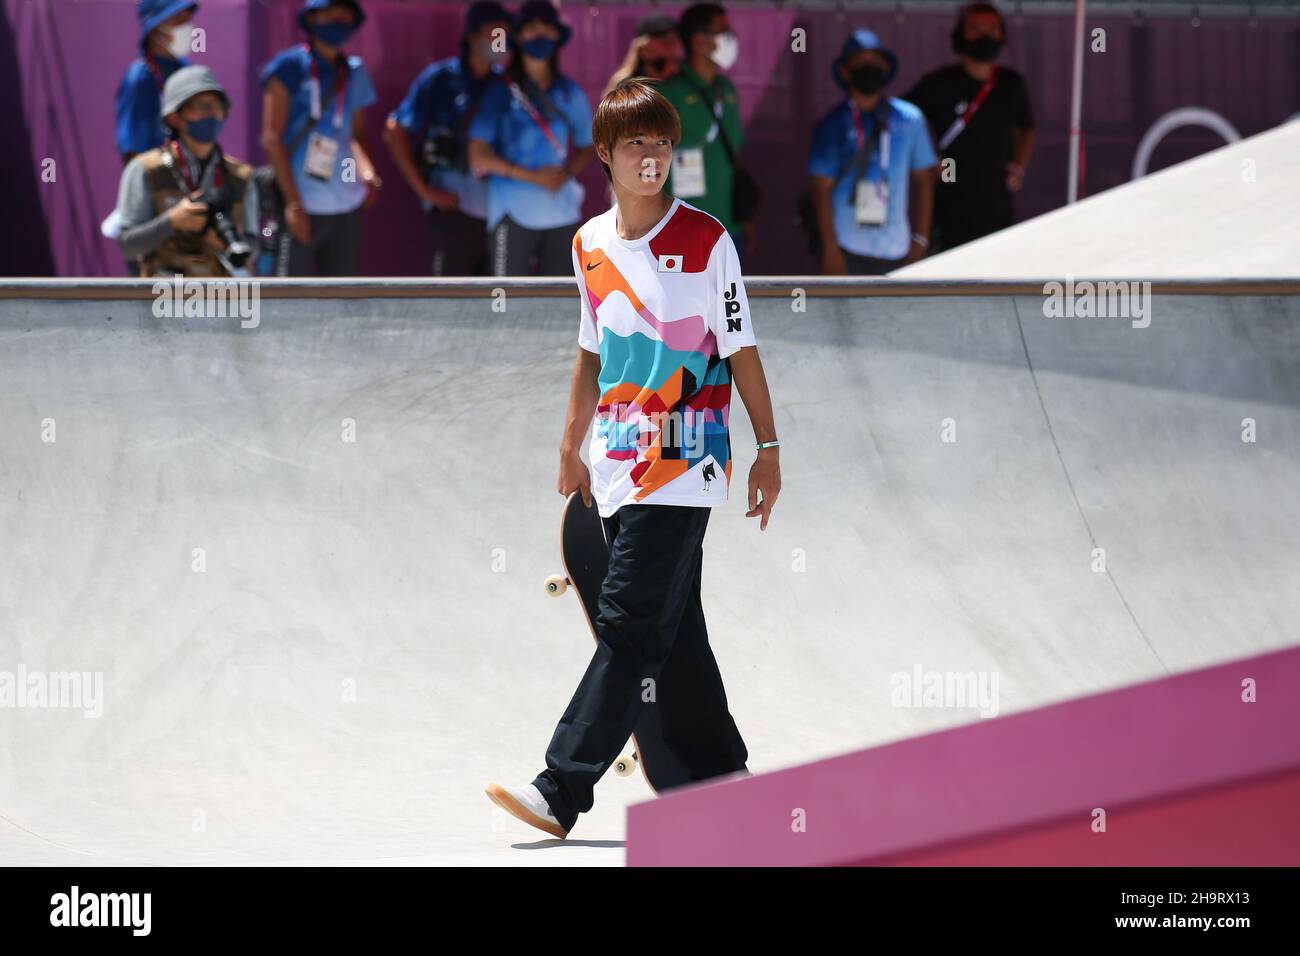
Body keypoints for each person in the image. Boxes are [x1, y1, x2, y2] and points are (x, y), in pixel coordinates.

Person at [485, 77, 781, 839]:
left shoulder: (708, 240)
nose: (652, 157)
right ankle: (724, 780)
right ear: (605, 156)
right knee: (676, 633)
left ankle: (560, 787)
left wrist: (768, 447)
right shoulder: (588, 243)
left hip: (687, 461)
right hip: (618, 460)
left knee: (628, 626)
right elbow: (591, 352)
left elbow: (742, 350)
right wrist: (570, 442)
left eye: (661, 143)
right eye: (636, 145)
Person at [384, 1, 512, 276]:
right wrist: (425, 191)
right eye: (494, 32)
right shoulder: (439, 80)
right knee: (453, 298)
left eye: (505, 33)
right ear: (473, 35)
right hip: (454, 212)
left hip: (501, 213)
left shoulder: (507, 85)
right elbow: (394, 131)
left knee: (498, 301)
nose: (501, 40)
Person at [467, 0, 594, 276]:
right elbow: (478, 154)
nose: (540, 36)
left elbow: (587, 146)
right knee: (506, 300)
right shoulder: (498, 91)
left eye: (548, 29)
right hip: (511, 213)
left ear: (558, 37)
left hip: (560, 212)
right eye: (532, 29)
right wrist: (530, 176)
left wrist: (566, 172)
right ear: (518, 37)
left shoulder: (571, 92)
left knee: (559, 301)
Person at [260, 0, 380, 277]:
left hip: (346, 205)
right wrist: (292, 202)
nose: (339, 19)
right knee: (290, 298)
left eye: (345, 13)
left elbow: (356, 133)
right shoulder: (287, 67)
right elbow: (272, 139)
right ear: (313, 18)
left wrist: (367, 171)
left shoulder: (354, 71)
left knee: (340, 297)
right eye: (331, 12)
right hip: (301, 204)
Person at [904, 3, 1036, 252]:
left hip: (996, 198)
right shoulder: (939, 83)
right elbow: (903, 117)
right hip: (949, 192)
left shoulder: (1011, 84)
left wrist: (1019, 165)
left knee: (995, 264)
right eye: (975, 28)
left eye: (992, 29)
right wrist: (929, 153)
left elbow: (1027, 126)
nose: (985, 35)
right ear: (960, 34)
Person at [806, 29, 937, 275]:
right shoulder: (832, 124)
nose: (869, 67)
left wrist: (920, 241)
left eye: (876, 61)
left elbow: (924, 181)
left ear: (887, 68)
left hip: (899, 249)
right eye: (860, 61)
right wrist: (831, 249)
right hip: (847, 248)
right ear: (845, 70)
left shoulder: (910, 118)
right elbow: (820, 191)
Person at [113, 66, 259, 277]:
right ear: (175, 117)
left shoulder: (242, 176)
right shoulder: (145, 169)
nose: (212, 114)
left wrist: (224, 243)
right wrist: (171, 221)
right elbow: (127, 246)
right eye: (202, 106)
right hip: (164, 301)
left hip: (225, 301)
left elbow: (254, 245)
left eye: (218, 106)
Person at [656, 4, 756, 263]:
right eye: (723, 31)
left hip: (728, 227)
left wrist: (743, 217)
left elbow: (735, 153)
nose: (731, 37)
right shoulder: (669, 94)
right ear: (699, 41)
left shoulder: (727, 90)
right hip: (680, 226)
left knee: (728, 302)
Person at [115, 0, 199, 164]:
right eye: (178, 20)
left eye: (187, 20)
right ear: (155, 30)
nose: (187, 28)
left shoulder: (186, 69)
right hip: (157, 182)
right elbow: (132, 151)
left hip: (189, 178)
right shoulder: (139, 77)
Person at [601, 13, 684, 98]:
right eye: (665, 42)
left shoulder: (682, 79)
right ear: (643, 46)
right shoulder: (626, 84)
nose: (674, 47)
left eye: (676, 41)